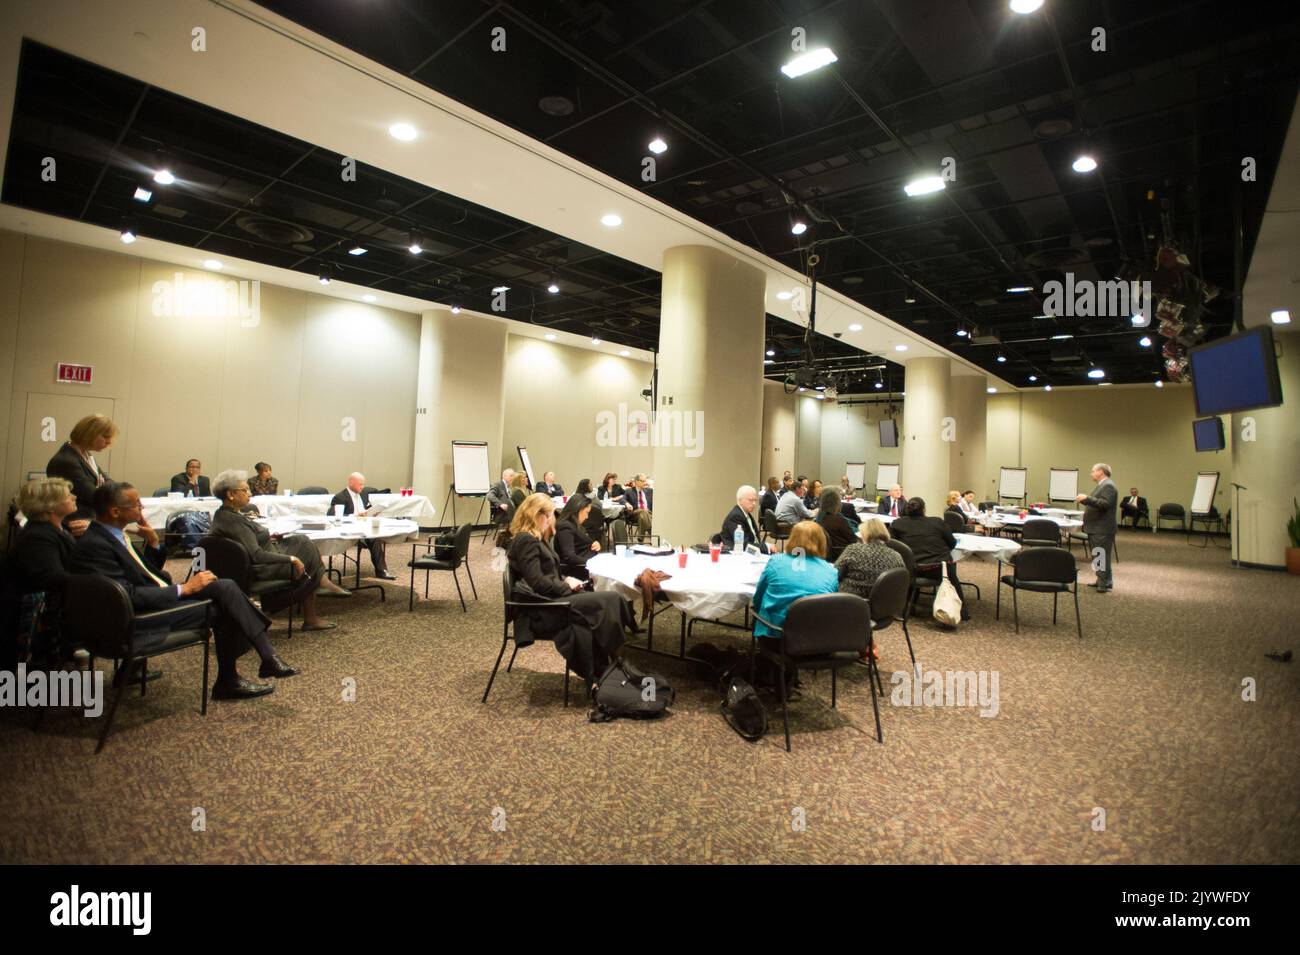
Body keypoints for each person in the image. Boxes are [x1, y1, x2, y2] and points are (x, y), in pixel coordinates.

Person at [70, 482, 297, 698]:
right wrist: (184, 588)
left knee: (224, 587)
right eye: (137, 504)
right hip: (139, 619)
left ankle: (266, 657)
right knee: (225, 608)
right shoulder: (97, 545)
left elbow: (145, 574)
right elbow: (126, 595)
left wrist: (153, 542)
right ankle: (231, 679)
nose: (142, 508)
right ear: (115, 511)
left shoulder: (113, 535)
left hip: (155, 600)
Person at [506, 494, 633, 684]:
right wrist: (566, 586)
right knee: (609, 600)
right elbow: (537, 583)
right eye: (550, 515)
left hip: (550, 598)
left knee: (609, 600)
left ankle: (611, 667)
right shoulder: (527, 541)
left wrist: (566, 579)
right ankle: (614, 666)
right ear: (537, 515)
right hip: (544, 608)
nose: (552, 520)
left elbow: (545, 575)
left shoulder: (533, 539)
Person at [210, 470, 341, 630]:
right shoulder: (234, 522)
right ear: (230, 494)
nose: (249, 494)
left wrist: (268, 537)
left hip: (259, 556)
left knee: (301, 541)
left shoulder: (225, 515)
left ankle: (318, 583)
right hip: (259, 569)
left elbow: (249, 541)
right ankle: (315, 596)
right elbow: (256, 555)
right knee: (307, 551)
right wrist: (291, 559)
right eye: (245, 490)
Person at [9, 478, 79, 666]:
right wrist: (93, 581)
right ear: (50, 507)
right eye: (67, 496)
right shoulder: (38, 537)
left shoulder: (57, 529)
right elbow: (52, 578)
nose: (74, 497)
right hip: (40, 611)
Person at [752, 521, 839, 644]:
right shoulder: (831, 571)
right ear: (821, 542)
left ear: (792, 539)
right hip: (818, 641)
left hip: (776, 638)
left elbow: (758, 597)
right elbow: (831, 607)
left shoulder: (776, 562)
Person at [890, 497, 970, 621]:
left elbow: (894, 547)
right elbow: (952, 543)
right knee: (951, 572)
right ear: (924, 510)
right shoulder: (937, 522)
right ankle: (962, 612)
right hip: (939, 569)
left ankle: (905, 605)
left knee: (909, 563)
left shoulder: (897, 524)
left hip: (912, 569)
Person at [44, 412, 117, 532]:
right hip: (75, 524)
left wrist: (105, 488)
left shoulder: (85, 455)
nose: (109, 442)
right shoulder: (68, 461)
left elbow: (109, 482)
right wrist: (103, 488)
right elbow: (95, 496)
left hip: (88, 519)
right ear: (89, 434)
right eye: (105, 437)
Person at [328, 472, 396, 580]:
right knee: (373, 537)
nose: (362, 487)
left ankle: (382, 571)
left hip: (363, 527)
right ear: (351, 483)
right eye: (360, 484)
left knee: (375, 537)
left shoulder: (363, 495)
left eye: (363, 484)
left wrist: (373, 512)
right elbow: (332, 516)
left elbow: (367, 509)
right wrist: (354, 515)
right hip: (349, 529)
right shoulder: (340, 497)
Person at [836, 518, 905, 601]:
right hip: (884, 603)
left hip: (851, 601)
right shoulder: (897, 556)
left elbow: (836, 574)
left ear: (864, 534)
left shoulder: (853, 550)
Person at [1076, 463, 1118, 592]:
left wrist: (1087, 498)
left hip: (1101, 528)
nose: (1091, 474)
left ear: (1101, 472)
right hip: (1097, 527)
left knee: (1100, 555)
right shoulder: (1103, 485)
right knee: (1099, 555)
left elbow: (1105, 504)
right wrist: (1085, 500)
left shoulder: (1108, 486)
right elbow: (1098, 503)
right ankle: (1104, 580)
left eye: (1093, 471)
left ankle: (1103, 583)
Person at [554, 495, 601, 578]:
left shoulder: (574, 525)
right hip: (578, 571)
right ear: (578, 509)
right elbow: (570, 557)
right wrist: (593, 562)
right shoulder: (565, 527)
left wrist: (594, 544)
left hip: (585, 566)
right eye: (586, 512)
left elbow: (580, 543)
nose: (587, 517)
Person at [815, 488, 858, 562]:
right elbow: (853, 539)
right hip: (842, 555)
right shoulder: (839, 520)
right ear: (836, 504)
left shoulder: (820, 517)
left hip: (826, 554)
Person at [720, 485, 763, 549]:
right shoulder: (735, 517)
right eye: (750, 500)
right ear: (740, 500)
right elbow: (744, 544)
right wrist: (765, 547)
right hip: (739, 554)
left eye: (755, 500)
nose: (754, 503)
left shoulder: (746, 514)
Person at [625, 473, 653, 541]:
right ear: (637, 482)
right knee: (643, 511)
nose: (645, 483)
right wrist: (627, 503)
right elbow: (622, 499)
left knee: (642, 516)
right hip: (634, 513)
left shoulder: (649, 491)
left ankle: (640, 538)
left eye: (645, 481)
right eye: (642, 481)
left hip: (647, 514)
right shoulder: (629, 491)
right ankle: (651, 532)